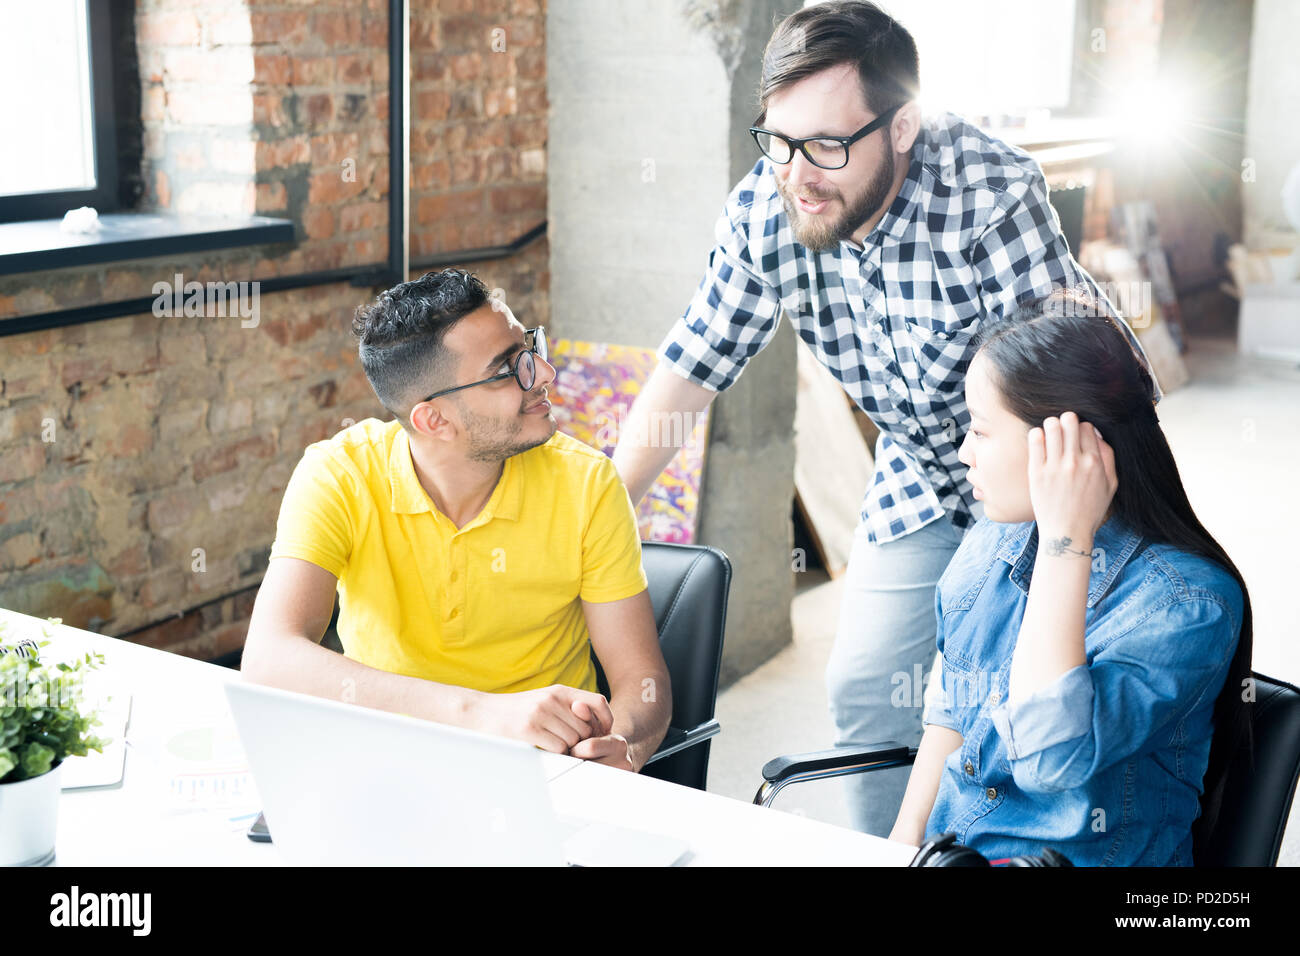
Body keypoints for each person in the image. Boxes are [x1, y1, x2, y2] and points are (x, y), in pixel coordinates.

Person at [612, 0, 1157, 834]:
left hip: (1039, 463)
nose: (798, 172)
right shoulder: (771, 206)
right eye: (779, 139)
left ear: (902, 127)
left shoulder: (988, 192)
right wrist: (599, 518)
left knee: (1004, 699)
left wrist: (1050, 550)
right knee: (866, 689)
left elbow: (1060, 391)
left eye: (827, 144)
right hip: (917, 465)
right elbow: (692, 366)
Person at [241, 269, 672, 772]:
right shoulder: (339, 475)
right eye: (507, 369)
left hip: (548, 768)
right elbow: (269, 657)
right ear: (434, 421)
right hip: (389, 762)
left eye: (528, 348)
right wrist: (482, 714)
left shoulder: (588, 484)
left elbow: (643, 679)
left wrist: (625, 746)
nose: (545, 374)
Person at [888, 290, 1253, 865]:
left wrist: (1065, 543)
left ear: (1069, 444)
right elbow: (949, 716)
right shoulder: (989, 541)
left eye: (981, 432)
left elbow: (1045, 758)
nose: (963, 452)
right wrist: (900, 853)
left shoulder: (1189, 604)